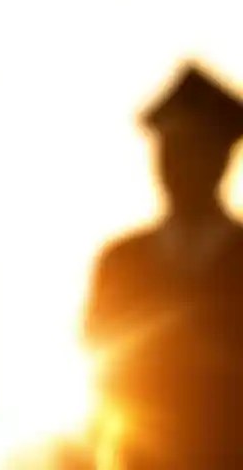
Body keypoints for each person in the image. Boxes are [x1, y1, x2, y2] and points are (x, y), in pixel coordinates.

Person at [84, 62, 243, 469]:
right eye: (170, 149)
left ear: (223, 157)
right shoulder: (120, 262)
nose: (178, 165)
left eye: (193, 149)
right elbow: (100, 384)